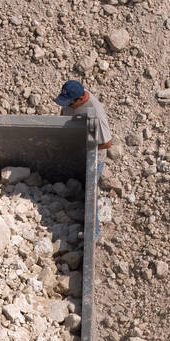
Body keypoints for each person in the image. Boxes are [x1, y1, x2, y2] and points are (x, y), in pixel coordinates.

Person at [55, 80, 113, 241]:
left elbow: (107, 143)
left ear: (80, 99)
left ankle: (93, 233)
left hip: (93, 156)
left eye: (69, 103)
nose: (66, 105)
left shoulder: (96, 112)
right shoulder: (72, 99)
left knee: (90, 189)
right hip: (76, 147)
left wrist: (86, 146)